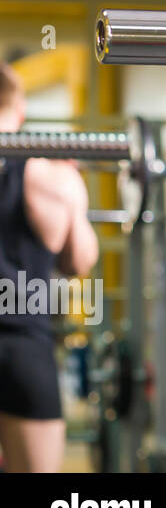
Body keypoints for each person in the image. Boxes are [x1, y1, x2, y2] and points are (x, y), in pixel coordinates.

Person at [0, 62, 99, 472]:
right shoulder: (46, 173)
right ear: (18, 110)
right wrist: (75, 197)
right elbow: (78, 261)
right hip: (24, 344)